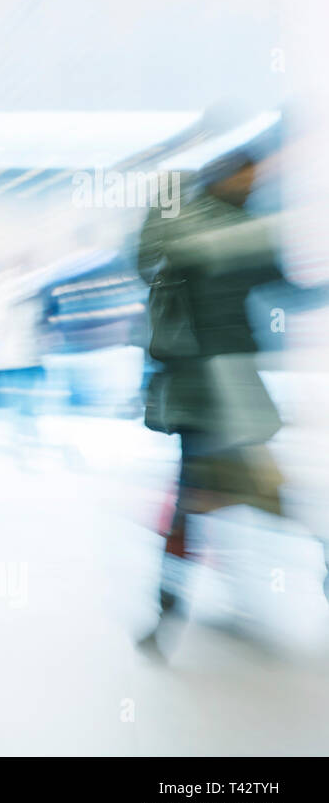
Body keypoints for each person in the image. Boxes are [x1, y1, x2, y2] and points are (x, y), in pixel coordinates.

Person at [136, 150, 286, 659]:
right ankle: (165, 612)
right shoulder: (186, 224)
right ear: (224, 177)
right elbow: (152, 255)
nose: (252, 184)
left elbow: (282, 280)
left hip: (229, 388)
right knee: (202, 502)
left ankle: (165, 614)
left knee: (248, 496)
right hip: (205, 390)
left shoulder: (246, 226)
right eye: (246, 175)